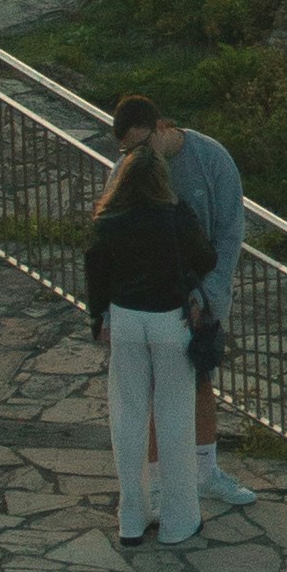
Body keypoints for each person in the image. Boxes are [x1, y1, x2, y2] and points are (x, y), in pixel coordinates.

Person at [113, 86, 256, 512]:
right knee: (155, 389)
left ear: (162, 127)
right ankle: (156, 484)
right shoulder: (127, 169)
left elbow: (229, 233)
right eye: (128, 150)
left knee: (200, 382)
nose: (135, 157)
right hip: (151, 301)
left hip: (200, 300)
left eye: (141, 145)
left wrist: (207, 298)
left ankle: (205, 471)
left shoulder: (212, 159)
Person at [84, 118, 215, 547]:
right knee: (175, 419)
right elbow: (207, 258)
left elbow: (95, 271)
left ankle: (131, 519)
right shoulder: (175, 216)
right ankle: (180, 520)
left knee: (127, 416)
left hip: (124, 320)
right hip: (168, 320)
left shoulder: (110, 218)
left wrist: (97, 318)